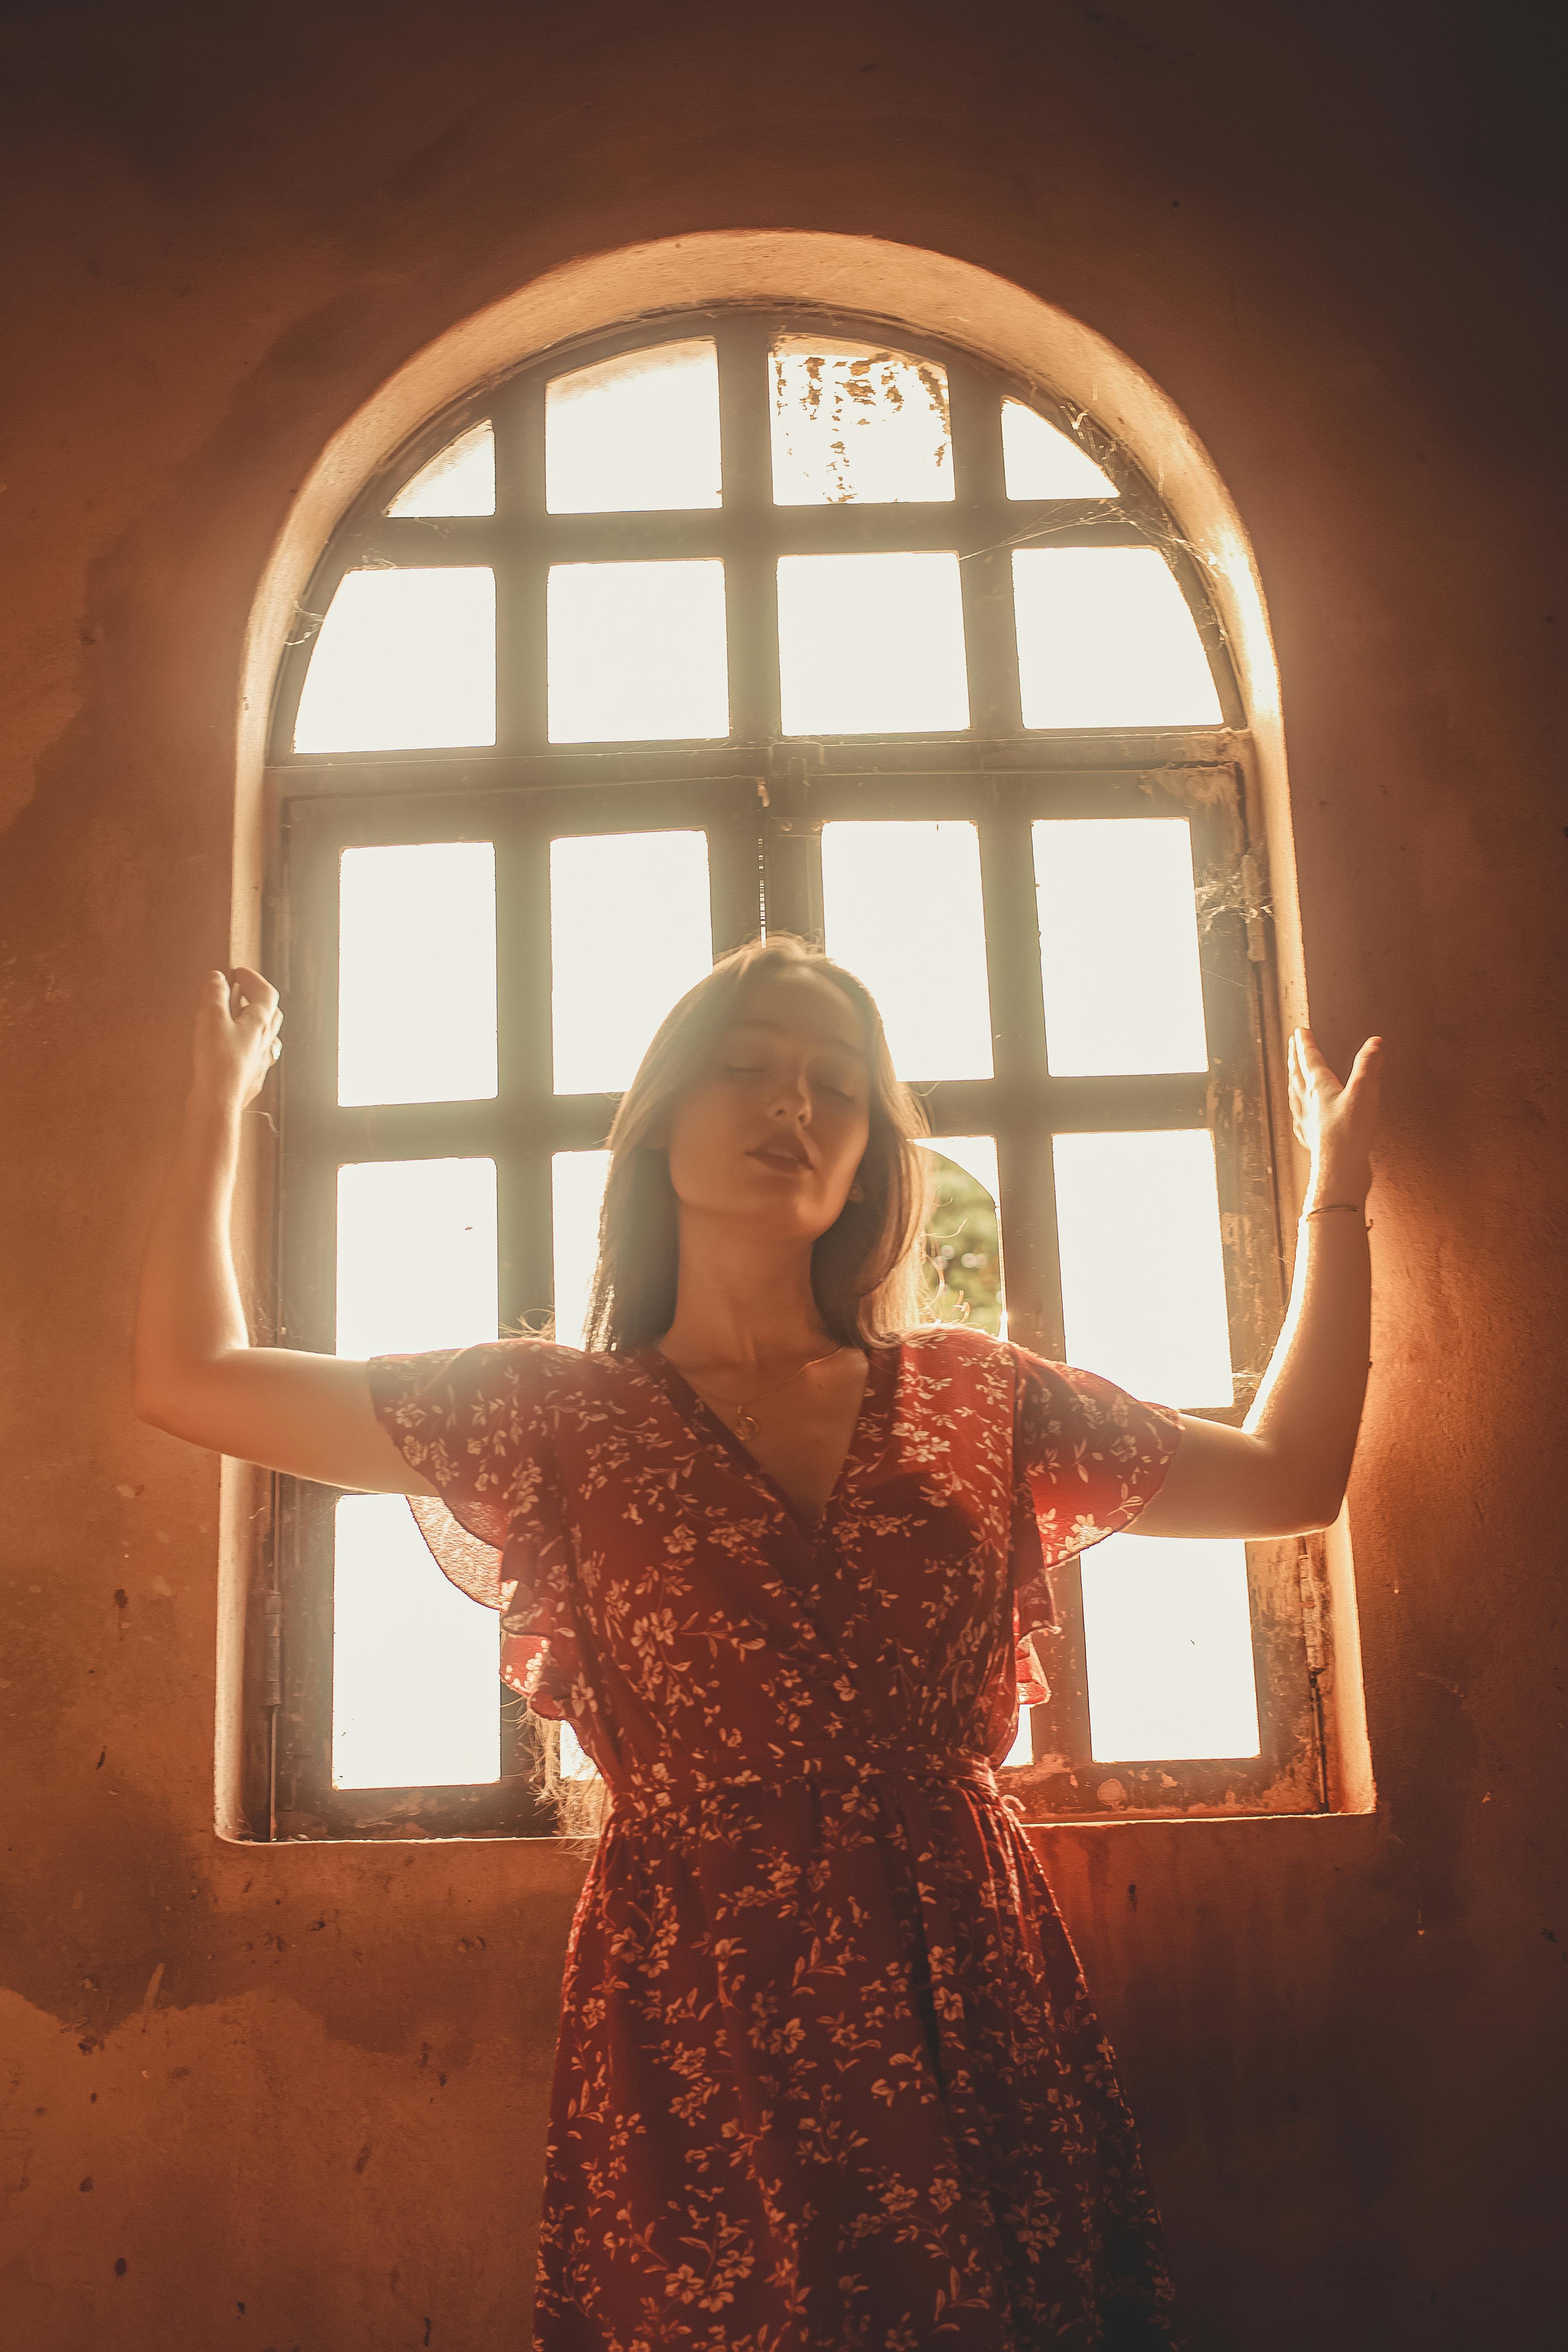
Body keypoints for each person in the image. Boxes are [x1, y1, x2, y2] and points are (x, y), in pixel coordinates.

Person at [134, 936, 1382, 2350]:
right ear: (662, 1116)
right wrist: (215, 1104)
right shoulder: (549, 1413)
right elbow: (190, 1377)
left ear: (870, 1160)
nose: (794, 1103)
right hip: (693, 1992)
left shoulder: (977, 1395)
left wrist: (1335, 1194)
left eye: (836, 1086)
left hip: (955, 1972)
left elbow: (1291, 1476)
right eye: (749, 1068)